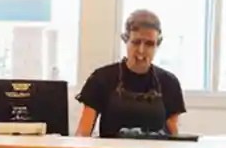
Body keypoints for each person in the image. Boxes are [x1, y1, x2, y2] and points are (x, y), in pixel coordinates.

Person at [76, 9, 186, 138]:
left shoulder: (169, 82)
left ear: (158, 44)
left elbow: (174, 136)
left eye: (149, 44)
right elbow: (83, 134)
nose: (141, 50)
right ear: (125, 40)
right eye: (136, 42)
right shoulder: (101, 79)